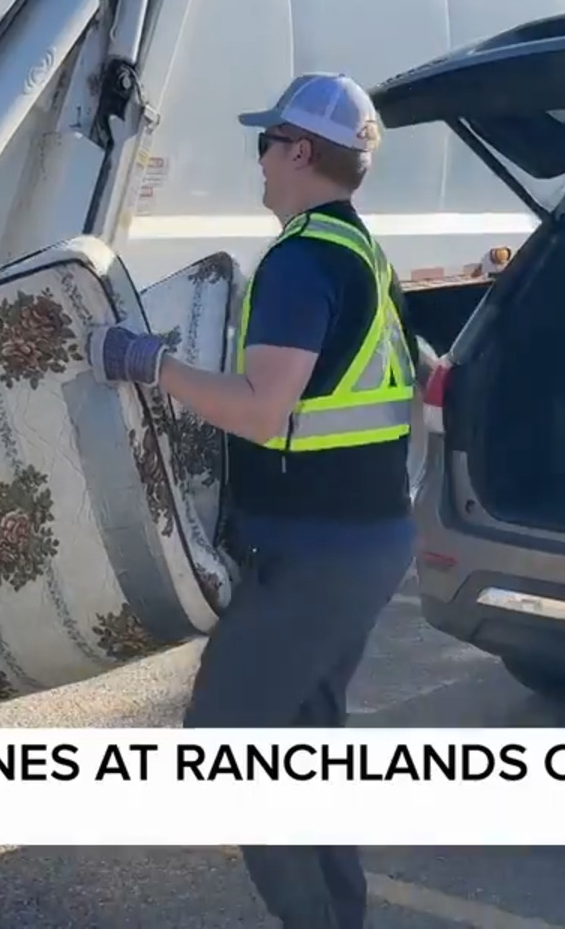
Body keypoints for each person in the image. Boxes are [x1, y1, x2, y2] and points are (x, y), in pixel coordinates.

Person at [88, 72, 426, 929]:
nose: (261, 162)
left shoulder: (302, 259)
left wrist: (149, 364)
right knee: (304, 737)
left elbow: (261, 408)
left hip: (316, 554)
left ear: (301, 151)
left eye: (266, 144)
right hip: (363, 541)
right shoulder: (363, 252)